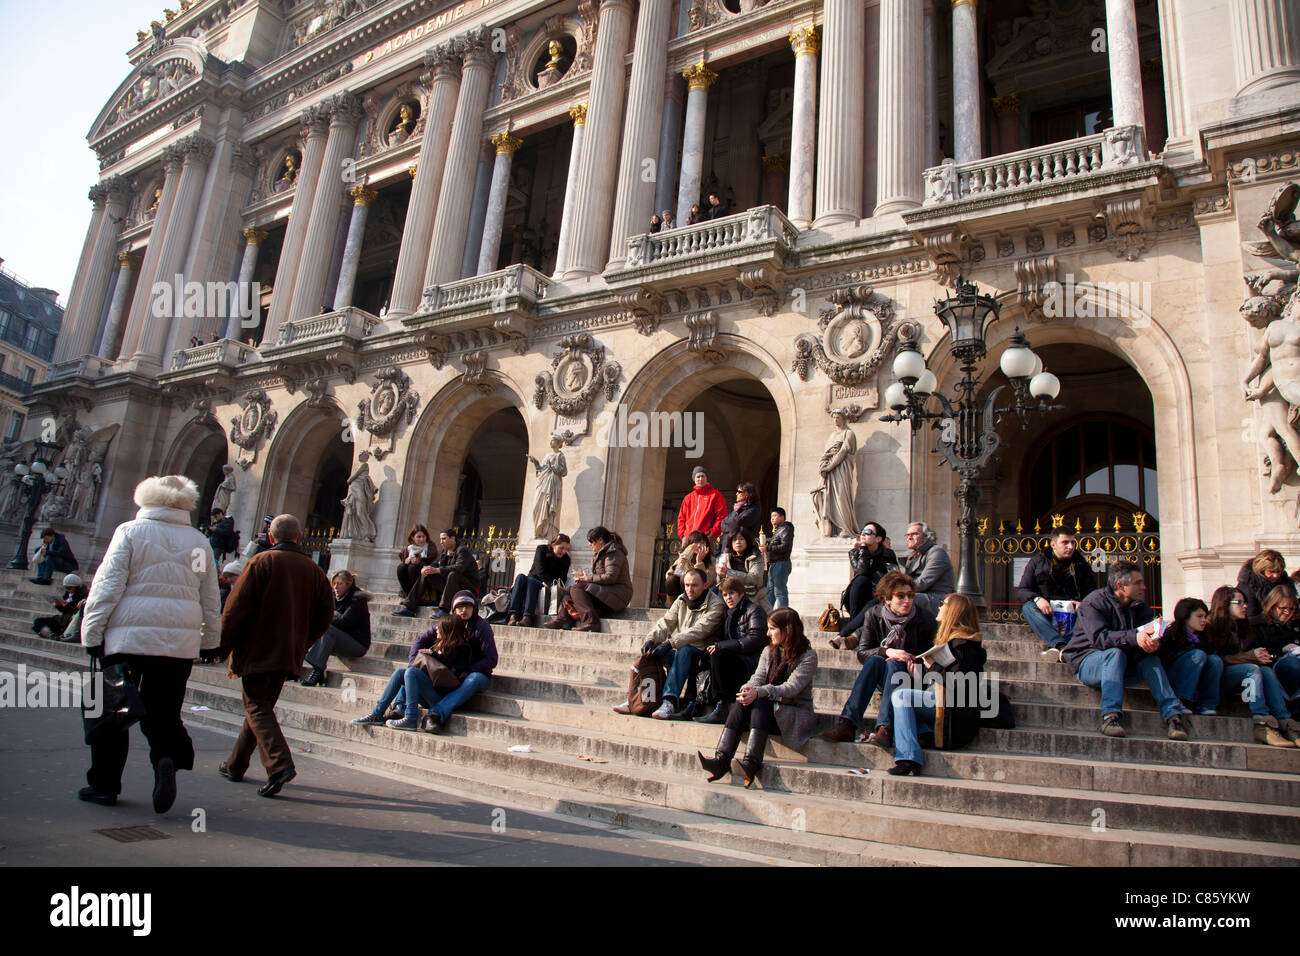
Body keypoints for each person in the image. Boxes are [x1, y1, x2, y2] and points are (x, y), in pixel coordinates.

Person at [77, 476, 222, 811]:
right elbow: (209, 596)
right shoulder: (199, 540)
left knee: (112, 711)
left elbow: (107, 587)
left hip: (127, 637)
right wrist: (211, 641)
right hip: (178, 645)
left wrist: (92, 633)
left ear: (146, 500)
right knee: (163, 712)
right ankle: (166, 758)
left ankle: (104, 784)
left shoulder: (129, 532)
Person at [215, 513, 334, 797]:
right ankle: (235, 765)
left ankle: (280, 764)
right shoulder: (314, 570)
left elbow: (234, 610)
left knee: (256, 706)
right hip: (288, 652)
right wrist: (303, 641)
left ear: (270, 537)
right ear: (299, 537)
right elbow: (325, 616)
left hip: (257, 649)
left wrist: (220, 646)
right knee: (260, 706)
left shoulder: (261, 562)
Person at [1063, 560, 1196, 740]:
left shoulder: (1140, 607)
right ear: (1120, 585)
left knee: (1151, 660)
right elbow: (1100, 639)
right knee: (1114, 654)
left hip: (1124, 664)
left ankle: (1173, 716)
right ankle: (1110, 716)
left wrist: (1153, 645)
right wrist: (1135, 637)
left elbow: (1144, 641)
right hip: (1088, 661)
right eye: (1138, 583)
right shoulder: (1093, 603)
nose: (1144, 587)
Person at [697, 607, 818, 788]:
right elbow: (758, 678)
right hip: (765, 712)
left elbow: (792, 688)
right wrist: (747, 689)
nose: (768, 634)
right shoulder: (769, 651)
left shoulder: (808, 656)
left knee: (761, 698)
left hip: (792, 714)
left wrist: (759, 692)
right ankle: (721, 759)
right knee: (743, 699)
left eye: (772, 629)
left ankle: (752, 762)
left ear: (787, 630)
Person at [820, 570, 938, 746]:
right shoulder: (874, 615)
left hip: (913, 679)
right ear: (887, 599)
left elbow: (931, 656)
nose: (907, 600)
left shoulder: (925, 618)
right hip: (884, 676)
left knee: (894, 665)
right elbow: (863, 653)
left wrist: (913, 663)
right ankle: (847, 724)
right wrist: (887, 651)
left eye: (910, 595)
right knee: (877, 660)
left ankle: (885, 729)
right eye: (900, 596)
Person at [354, 591, 497, 732]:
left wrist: (441, 661)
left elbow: (490, 659)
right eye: (459, 607)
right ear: (453, 610)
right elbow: (420, 641)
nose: (463, 610)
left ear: (475, 608)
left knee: (473, 678)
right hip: (440, 680)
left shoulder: (480, 628)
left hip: (469, 675)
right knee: (405, 671)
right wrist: (418, 662)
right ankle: (385, 711)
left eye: (467, 607)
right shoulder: (447, 624)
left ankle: (434, 713)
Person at [887, 593, 989, 775]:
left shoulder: (964, 645)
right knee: (900, 693)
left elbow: (962, 683)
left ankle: (908, 757)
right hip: (939, 701)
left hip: (952, 709)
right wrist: (919, 673)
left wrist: (933, 667)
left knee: (901, 696)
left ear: (954, 611)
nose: (940, 606)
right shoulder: (952, 641)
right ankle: (924, 732)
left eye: (944, 603)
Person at [616, 568, 724, 720]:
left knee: (684, 650)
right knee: (652, 652)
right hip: (678, 648)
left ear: (705, 585)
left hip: (699, 651)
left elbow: (699, 631)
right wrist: (651, 639)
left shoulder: (716, 604)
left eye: (694, 585)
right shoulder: (681, 600)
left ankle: (669, 700)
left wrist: (670, 643)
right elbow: (666, 622)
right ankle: (639, 699)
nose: (690, 589)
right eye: (687, 585)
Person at [1203, 586, 1300, 746]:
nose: (1245, 606)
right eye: (1239, 602)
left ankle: (1285, 720)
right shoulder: (1211, 625)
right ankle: (1261, 722)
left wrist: (1258, 656)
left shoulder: (1242, 626)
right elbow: (1216, 660)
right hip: (1216, 679)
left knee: (1265, 670)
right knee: (1252, 669)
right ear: (1225, 604)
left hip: (1238, 675)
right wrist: (1250, 657)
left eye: (1245, 602)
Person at [1016, 529, 1097, 660]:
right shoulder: (1037, 561)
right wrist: (1037, 599)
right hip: (1047, 612)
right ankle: (1061, 645)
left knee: (1088, 611)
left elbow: (1093, 594)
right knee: (1028, 607)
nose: (1070, 547)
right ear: (1053, 544)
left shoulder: (1081, 564)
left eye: (1072, 542)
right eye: (1065, 542)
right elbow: (1022, 590)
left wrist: (1082, 603)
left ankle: (1062, 646)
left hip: (1072, 614)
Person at [695, 577, 767, 723]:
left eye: (732, 593)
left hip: (750, 661)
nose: (728, 598)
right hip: (733, 659)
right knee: (699, 655)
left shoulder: (754, 610)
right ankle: (695, 703)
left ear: (741, 594)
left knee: (718, 653)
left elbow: (755, 639)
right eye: (725, 594)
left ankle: (721, 706)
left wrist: (721, 646)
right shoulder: (727, 613)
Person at [547, 526, 632, 631]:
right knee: (569, 590)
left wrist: (587, 578)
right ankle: (563, 619)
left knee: (577, 589)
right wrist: (585, 578)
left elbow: (610, 577)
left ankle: (591, 622)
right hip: (608, 592)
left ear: (600, 540)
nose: (589, 544)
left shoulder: (613, 553)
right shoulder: (603, 553)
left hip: (618, 594)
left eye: (591, 541)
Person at [301, 569, 372, 687]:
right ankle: (300, 664)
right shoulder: (334, 598)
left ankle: (318, 671)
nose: (336, 587)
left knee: (328, 627)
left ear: (348, 584)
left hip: (357, 644)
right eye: (334, 584)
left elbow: (345, 622)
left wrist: (324, 619)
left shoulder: (357, 599)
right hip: (337, 640)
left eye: (340, 584)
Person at [393, 528, 479, 618]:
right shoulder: (445, 552)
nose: (441, 542)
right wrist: (426, 569)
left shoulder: (462, 550)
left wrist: (437, 570)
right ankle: (409, 608)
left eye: (444, 538)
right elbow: (434, 565)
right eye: (440, 539)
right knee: (428, 572)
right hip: (450, 585)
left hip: (468, 587)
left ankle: (444, 610)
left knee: (453, 574)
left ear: (453, 538)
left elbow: (459, 568)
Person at [833, 522, 898, 642]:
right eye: (862, 531)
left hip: (879, 595)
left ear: (878, 539)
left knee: (874, 601)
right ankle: (850, 631)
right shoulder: (856, 552)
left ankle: (844, 634)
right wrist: (862, 548)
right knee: (861, 580)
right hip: (859, 594)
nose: (863, 533)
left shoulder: (888, 554)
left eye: (868, 532)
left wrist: (880, 589)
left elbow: (892, 578)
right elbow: (862, 572)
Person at [1156, 597, 1221, 715]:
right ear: (1186, 617)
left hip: (1197, 679)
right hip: (1173, 677)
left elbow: (1211, 650)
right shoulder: (1172, 634)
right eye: (1199, 616)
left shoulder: (1203, 635)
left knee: (1215, 660)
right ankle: (1181, 701)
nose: (1203, 620)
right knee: (1198, 655)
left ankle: (1207, 704)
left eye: (1205, 617)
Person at [1249, 585, 1300, 708]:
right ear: (1272, 606)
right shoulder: (1257, 625)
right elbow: (1256, 651)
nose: (1287, 612)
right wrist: (1282, 650)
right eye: (1283, 608)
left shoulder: (1296, 625)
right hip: (1276, 666)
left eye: (1291, 609)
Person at [507, 533, 571, 626]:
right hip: (536, 578)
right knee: (520, 577)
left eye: (566, 549)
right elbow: (539, 568)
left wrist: (550, 584)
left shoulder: (566, 559)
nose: (563, 551)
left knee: (531, 582)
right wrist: (547, 581)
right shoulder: (542, 549)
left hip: (545, 584)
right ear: (553, 545)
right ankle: (513, 615)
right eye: (561, 548)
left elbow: (562, 577)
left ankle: (528, 617)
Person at [901, 521, 954, 616]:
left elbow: (923, 582)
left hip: (937, 600)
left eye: (914, 534)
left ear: (926, 536)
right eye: (908, 534)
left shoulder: (937, 552)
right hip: (918, 595)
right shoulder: (913, 555)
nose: (909, 537)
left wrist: (897, 591)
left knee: (900, 599)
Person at [716, 528, 769, 611]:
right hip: (730, 594)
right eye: (735, 540)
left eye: (741, 539)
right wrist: (720, 575)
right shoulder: (726, 557)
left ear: (747, 541)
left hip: (753, 595)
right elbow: (719, 582)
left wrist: (729, 572)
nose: (738, 542)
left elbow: (756, 579)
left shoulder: (755, 556)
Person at [1238, 549, 1295, 617]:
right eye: (1271, 572)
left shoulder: (1286, 584)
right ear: (1261, 570)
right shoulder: (1247, 587)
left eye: (1278, 571)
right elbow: (1250, 616)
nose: (1276, 575)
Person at [676, 465, 728, 541]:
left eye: (703, 476)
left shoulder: (716, 495)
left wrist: (712, 534)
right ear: (694, 479)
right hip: (688, 539)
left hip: (706, 537)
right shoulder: (688, 498)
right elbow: (681, 518)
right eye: (698, 477)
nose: (700, 479)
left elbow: (721, 517)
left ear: (706, 478)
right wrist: (683, 536)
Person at [664, 530, 716, 602]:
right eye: (696, 542)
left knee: (685, 578)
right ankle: (675, 606)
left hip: (701, 593)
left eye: (702, 543)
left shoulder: (711, 560)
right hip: (683, 591)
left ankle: (688, 605)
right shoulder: (685, 555)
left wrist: (699, 562)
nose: (699, 545)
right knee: (671, 580)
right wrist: (679, 564)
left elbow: (708, 582)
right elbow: (668, 576)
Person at [33, 572, 88, 640]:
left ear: (77, 587)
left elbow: (77, 613)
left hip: (69, 622)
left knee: (41, 626)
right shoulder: (68, 595)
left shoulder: (83, 597)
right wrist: (59, 605)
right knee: (38, 622)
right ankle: (49, 633)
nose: (68, 590)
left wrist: (68, 606)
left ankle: (49, 633)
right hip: (62, 620)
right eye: (66, 588)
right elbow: (64, 610)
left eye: (69, 588)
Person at [762, 507, 793, 609]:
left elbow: (785, 546)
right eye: (771, 516)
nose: (772, 519)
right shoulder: (779, 530)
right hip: (774, 564)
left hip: (781, 563)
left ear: (782, 517)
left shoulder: (786, 529)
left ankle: (782, 615)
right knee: (770, 592)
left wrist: (768, 548)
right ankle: (767, 615)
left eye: (775, 516)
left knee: (780, 592)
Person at [718, 482, 762, 547]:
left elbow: (736, 524)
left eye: (739, 492)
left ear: (747, 494)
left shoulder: (753, 510)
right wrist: (727, 525)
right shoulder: (737, 508)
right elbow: (722, 523)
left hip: (741, 547)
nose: (736, 494)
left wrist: (727, 525)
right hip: (727, 544)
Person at [396, 524, 436, 595]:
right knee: (401, 567)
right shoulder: (409, 549)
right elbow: (403, 560)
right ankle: (408, 594)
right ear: (412, 538)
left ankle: (415, 595)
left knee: (413, 567)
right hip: (410, 576)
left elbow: (431, 562)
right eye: (418, 537)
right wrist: (407, 561)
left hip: (426, 574)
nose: (421, 539)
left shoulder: (430, 547)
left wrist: (418, 561)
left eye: (423, 536)